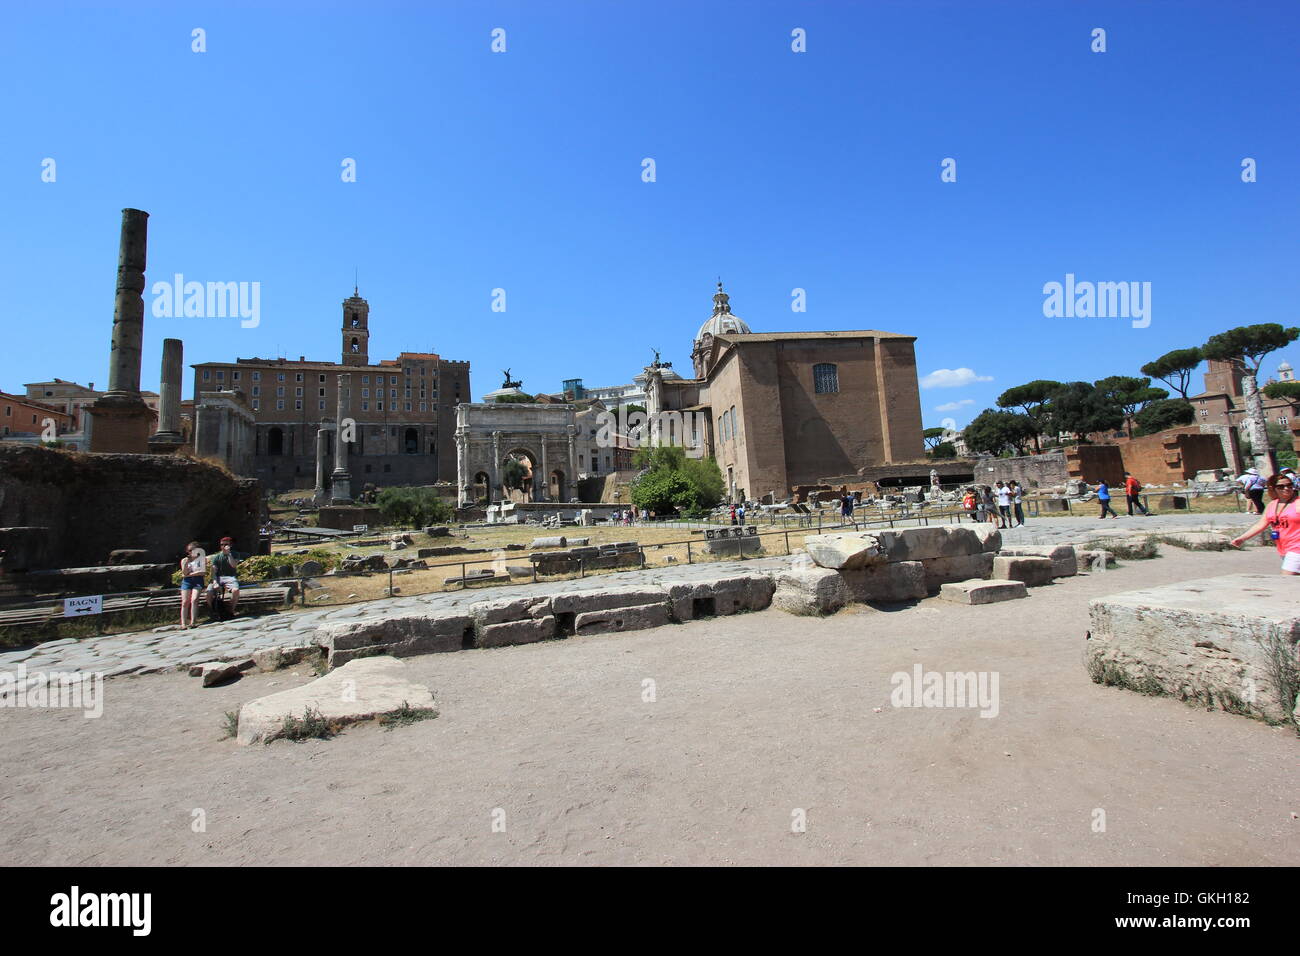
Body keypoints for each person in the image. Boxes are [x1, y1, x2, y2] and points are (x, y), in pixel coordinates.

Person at [1230, 472, 1300, 573]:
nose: (1286, 488)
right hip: (1283, 548)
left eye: (1289, 485)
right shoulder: (1272, 505)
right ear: (1273, 488)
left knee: (1286, 578)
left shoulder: (1298, 503)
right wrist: (1242, 538)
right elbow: (1261, 524)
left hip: (1297, 547)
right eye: (1281, 486)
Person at [208, 536, 241, 617]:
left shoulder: (235, 554)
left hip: (230, 577)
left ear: (230, 545)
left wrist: (229, 554)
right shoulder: (216, 557)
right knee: (208, 593)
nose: (223, 546)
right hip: (218, 577)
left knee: (236, 590)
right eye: (221, 545)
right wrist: (215, 582)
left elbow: (233, 565)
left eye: (225, 544)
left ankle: (231, 610)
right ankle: (214, 610)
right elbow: (213, 571)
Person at [178, 542, 206, 629]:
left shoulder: (201, 559)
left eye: (193, 550)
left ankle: (193, 621)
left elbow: (202, 572)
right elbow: (184, 573)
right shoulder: (184, 560)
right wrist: (186, 564)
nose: (191, 552)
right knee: (185, 601)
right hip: (187, 582)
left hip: (198, 581)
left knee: (194, 599)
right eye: (189, 551)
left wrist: (190, 574)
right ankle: (183, 623)